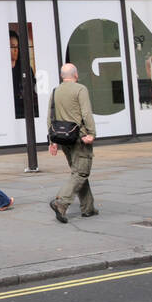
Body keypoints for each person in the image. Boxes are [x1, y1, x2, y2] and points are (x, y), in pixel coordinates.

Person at [48, 63, 97, 223]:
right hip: (79, 137)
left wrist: (52, 140)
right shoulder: (80, 89)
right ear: (75, 75)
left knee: (78, 171)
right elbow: (86, 113)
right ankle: (61, 202)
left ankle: (88, 208)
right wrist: (91, 133)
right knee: (81, 172)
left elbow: (50, 116)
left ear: (62, 76)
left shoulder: (55, 91)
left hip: (62, 138)